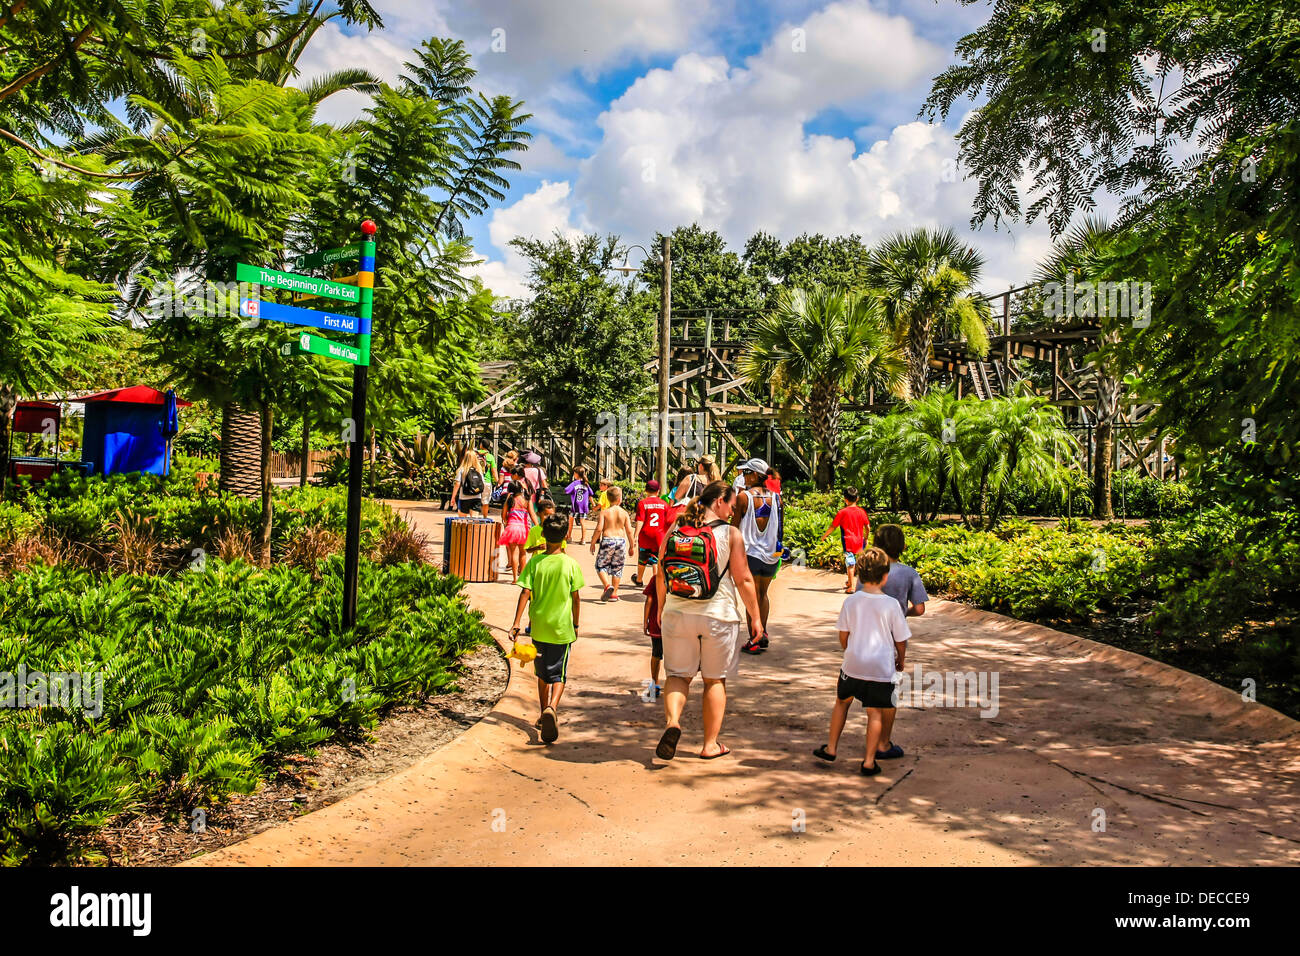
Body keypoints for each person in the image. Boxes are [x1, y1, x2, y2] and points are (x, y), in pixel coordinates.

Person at [653, 480, 763, 761]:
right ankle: (710, 744)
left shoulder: (676, 528)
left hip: (677, 614)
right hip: (719, 616)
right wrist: (755, 617)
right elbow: (744, 579)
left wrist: (661, 607)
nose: (733, 512)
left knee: (678, 676)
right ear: (719, 502)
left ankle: (673, 723)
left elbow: (660, 572)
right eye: (732, 506)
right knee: (715, 680)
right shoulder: (731, 534)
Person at [813, 547, 909, 776]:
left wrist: (849, 650)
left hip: (852, 665)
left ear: (859, 575)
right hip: (880, 668)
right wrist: (901, 660)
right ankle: (868, 761)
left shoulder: (851, 602)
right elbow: (901, 640)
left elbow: (843, 634)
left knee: (841, 702)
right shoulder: (891, 605)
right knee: (875, 712)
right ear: (885, 576)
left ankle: (831, 748)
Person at [510, 513, 585, 744]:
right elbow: (576, 598)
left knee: (542, 673)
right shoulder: (571, 564)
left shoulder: (534, 563)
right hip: (562, 629)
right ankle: (552, 707)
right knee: (559, 673)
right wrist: (575, 623)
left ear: (543, 534)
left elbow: (525, 592)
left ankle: (543, 712)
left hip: (539, 627)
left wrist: (516, 622)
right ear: (565, 537)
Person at [731, 458, 783, 655]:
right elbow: (780, 526)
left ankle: (754, 637)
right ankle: (764, 632)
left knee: (750, 597)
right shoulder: (776, 497)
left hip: (750, 554)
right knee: (762, 594)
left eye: (746, 473)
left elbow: (734, 527)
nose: (743, 477)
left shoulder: (744, 497)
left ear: (755, 475)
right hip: (771, 554)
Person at [818, 487, 871, 594]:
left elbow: (833, 526)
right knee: (858, 563)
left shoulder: (842, 512)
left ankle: (851, 587)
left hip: (848, 542)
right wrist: (866, 538)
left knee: (850, 564)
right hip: (859, 541)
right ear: (857, 498)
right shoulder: (861, 512)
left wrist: (824, 536)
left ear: (845, 499)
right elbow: (868, 527)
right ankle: (852, 582)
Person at [873, 524, 928, 617]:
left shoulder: (866, 572)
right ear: (903, 547)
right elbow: (919, 609)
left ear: (875, 546)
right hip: (896, 629)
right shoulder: (910, 573)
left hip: (868, 629)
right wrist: (902, 612)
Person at [590, 485, 632, 600]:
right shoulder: (624, 513)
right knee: (617, 567)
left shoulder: (604, 513)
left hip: (608, 540)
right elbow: (629, 531)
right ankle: (614, 593)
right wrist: (632, 546)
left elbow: (599, 529)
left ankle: (607, 585)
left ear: (608, 499)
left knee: (600, 565)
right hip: (621, 541)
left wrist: (593, 542)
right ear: (620, 499)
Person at [631, 478, 670, 586]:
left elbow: (640, 520)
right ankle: (655, 580)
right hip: (659, 536)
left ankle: (639, 580)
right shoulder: (664, 504)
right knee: (656, 558)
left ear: (646, 490)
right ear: (658, 491)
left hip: (645, 536)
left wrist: (635, 536)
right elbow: (668, 521)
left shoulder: (642, 503)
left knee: (643, 558)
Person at [498, 480, 535, 584]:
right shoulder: (526, 500)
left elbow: (503, 515)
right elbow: (532, 515)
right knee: (523, 554)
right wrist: (538, 526)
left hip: (511, 529)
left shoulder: (510, 500)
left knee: (514, 553)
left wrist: (506, 520)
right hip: (523, 529)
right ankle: (522, 578)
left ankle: (514, 579)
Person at [643, 577, 663, 700]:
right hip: (676, 624)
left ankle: (655, 683)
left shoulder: (657, 579)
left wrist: (645, 621)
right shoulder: (679, 577)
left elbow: (649, 599)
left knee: (656, 653)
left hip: (657, 623)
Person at [453, 448, 488, 516]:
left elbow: (457, 484)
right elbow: (483, 483)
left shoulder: (462, 470)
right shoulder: (479, 470)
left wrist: (453, 497)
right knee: (474, 520)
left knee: (462, 520)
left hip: (464, 497)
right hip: (476, 496)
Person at [564, 467, 594, 544]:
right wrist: (593, 504)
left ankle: (569, 537)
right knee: (583, 522)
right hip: (583, 507)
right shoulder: (586, 484)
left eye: (574, 473)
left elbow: (566, 490)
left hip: (575, 507)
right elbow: (591, 495)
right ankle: (583, 540)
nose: (574, 475)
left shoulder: (574, 483)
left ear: (577, 474)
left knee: (571, 522)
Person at [475, 441, 499, 517]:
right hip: (487, 481)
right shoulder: (490, 457)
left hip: (475, 481)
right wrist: (497, 481)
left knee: (475, 499)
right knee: (485, 501)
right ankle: (484, 518)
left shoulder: (474, 455)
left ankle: (475, 517)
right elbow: (494, 471)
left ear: (481, 445)